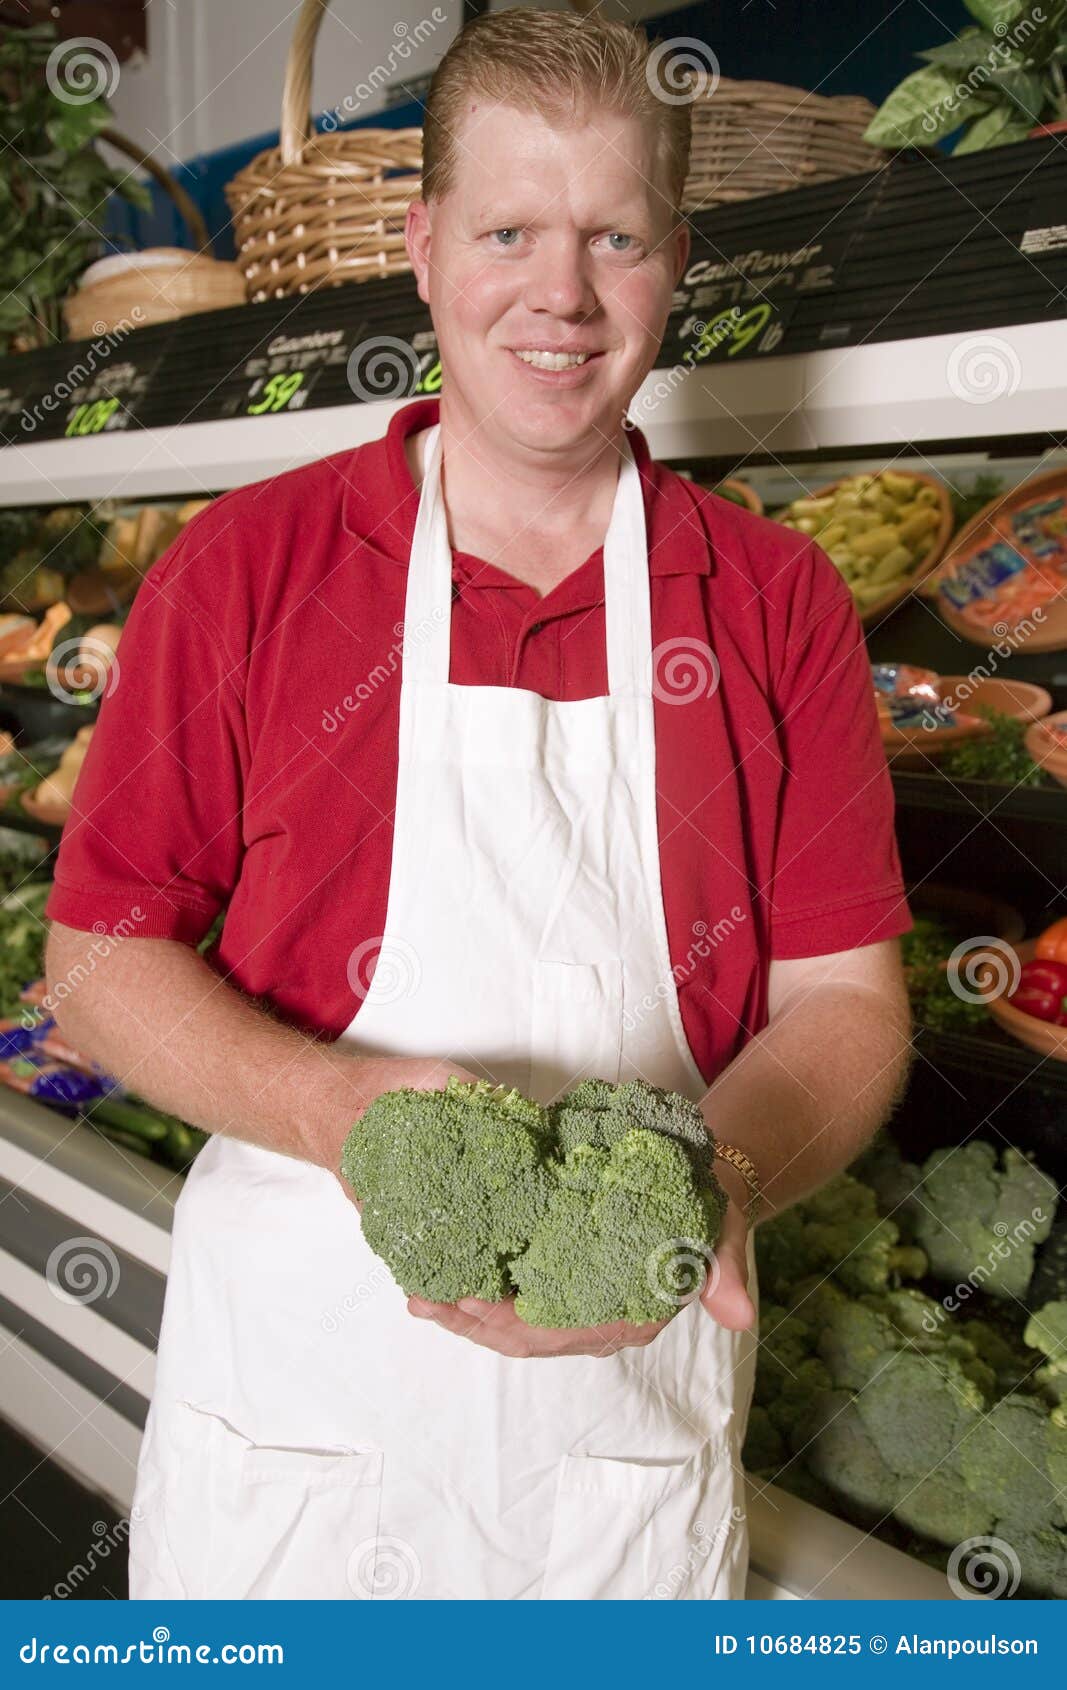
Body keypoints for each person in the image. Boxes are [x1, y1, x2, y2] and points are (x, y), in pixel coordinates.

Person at [45, 9, 912, 1601]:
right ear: (425, 245)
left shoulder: (779, 603)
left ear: (679, 259)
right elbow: (93, 961)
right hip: (295, 1455)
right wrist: (329, 1112)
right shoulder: (244, 573)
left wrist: (707, 1183)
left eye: (616, 238)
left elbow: (849, 1005)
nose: (561, 295)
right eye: (510, 229)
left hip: (621, 1480)